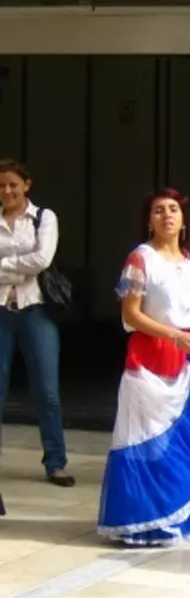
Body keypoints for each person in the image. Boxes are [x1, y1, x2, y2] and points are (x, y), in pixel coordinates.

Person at [98, 188, 190, 546]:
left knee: (181, 443)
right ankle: (140, 520)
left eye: (173, 210)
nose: (167, 216)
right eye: (158, 210)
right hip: (150, 358)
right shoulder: (140, 259)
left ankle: (172, 515)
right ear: (149, 220)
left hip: (187, 358)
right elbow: (131, 314)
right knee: (144, 440)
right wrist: (172, 335)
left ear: (184, 219)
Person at [0, 158, 73, 488]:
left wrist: (4, 264)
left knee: (47, 391)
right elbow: (32, 263)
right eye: (1, 185)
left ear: (26, 185)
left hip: (36, 310)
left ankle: (55, 462)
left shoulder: (44, 217)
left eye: (13, 184)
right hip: (1, 311)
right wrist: (22, 266)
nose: (7, 191)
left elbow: (43, 259)